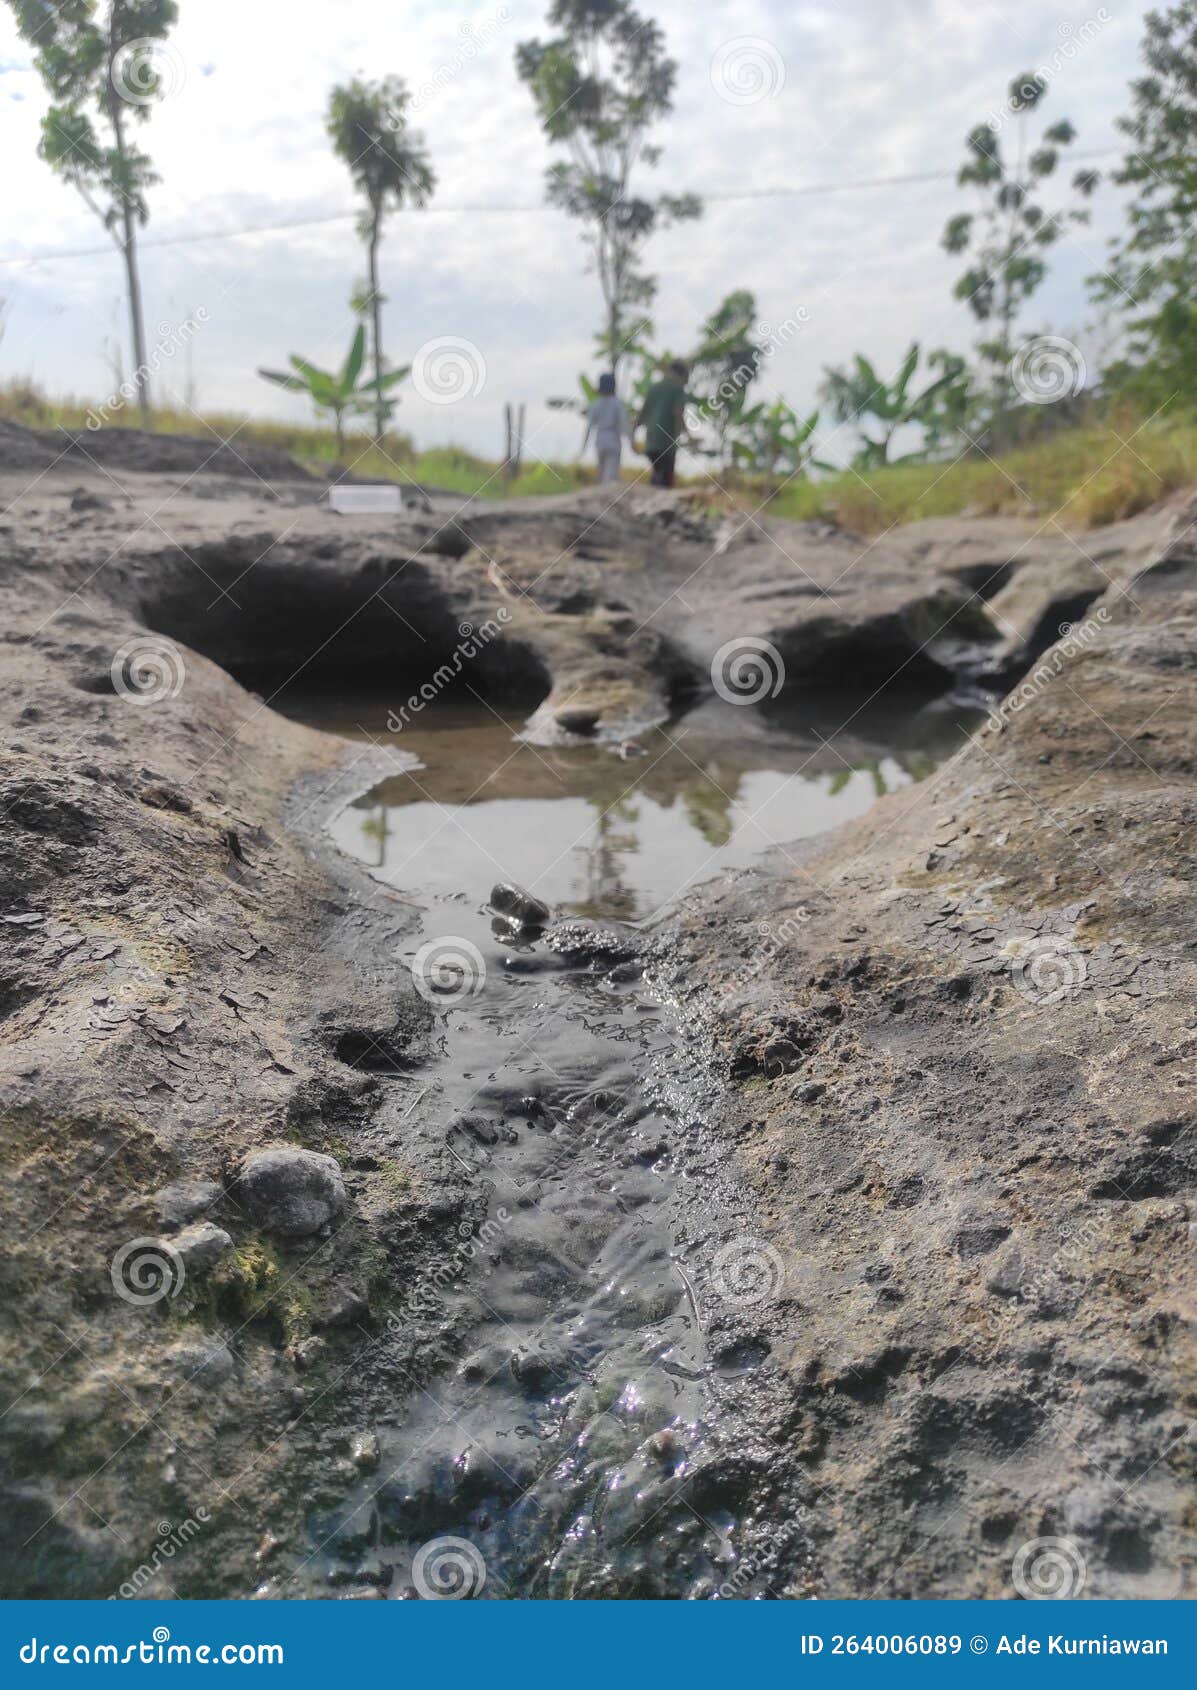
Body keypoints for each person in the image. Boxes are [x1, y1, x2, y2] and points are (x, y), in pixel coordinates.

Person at [636, 358, 689, 488]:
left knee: (658, 473)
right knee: (665, 480)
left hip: (651, 441)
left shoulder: (653, 388)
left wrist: (632, 436)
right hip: (666, 442)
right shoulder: (677, 389)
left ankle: (654, 490)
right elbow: (678, 414)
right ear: (682, 374)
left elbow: (642, 414)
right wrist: (685, 436)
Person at [581, 373, 631, 485]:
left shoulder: (595, 404)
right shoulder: (617, 404)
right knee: (611, 475)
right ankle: (607, 493)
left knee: (602, 472)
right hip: (613, 440)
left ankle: (602, 492)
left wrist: (583, 448)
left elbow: (589, 427)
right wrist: (631, 441)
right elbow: (624, 425)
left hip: (600, 440)